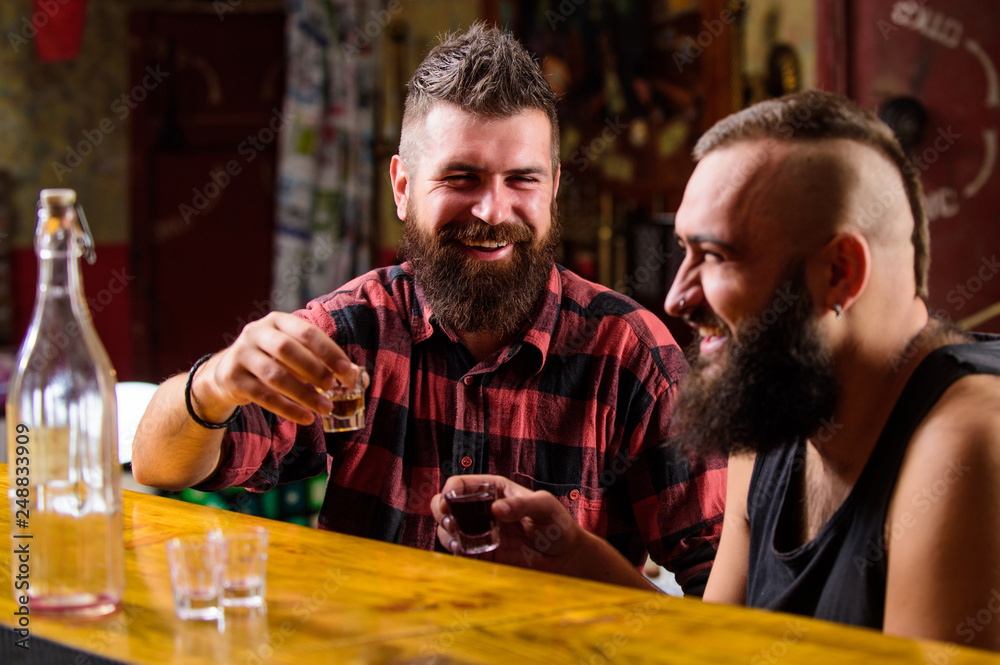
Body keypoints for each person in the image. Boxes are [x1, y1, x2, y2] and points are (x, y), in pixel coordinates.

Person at [131, 23, 726, 596]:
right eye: (461, 178)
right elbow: (161, 465)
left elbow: (725, 610)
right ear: (402, 187)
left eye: (522, 179)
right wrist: (211, 384)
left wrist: (579, 559)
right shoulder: (351, 331)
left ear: (553, 187)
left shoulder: (629, 355)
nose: (493, 211)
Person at [432, 90, 1000, 651]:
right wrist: (577, 558)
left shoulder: (968, 444)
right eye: (682, 251)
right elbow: (716, 652)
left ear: (840, 273)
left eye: (716, 256)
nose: (677, 297)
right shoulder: (778, 405)